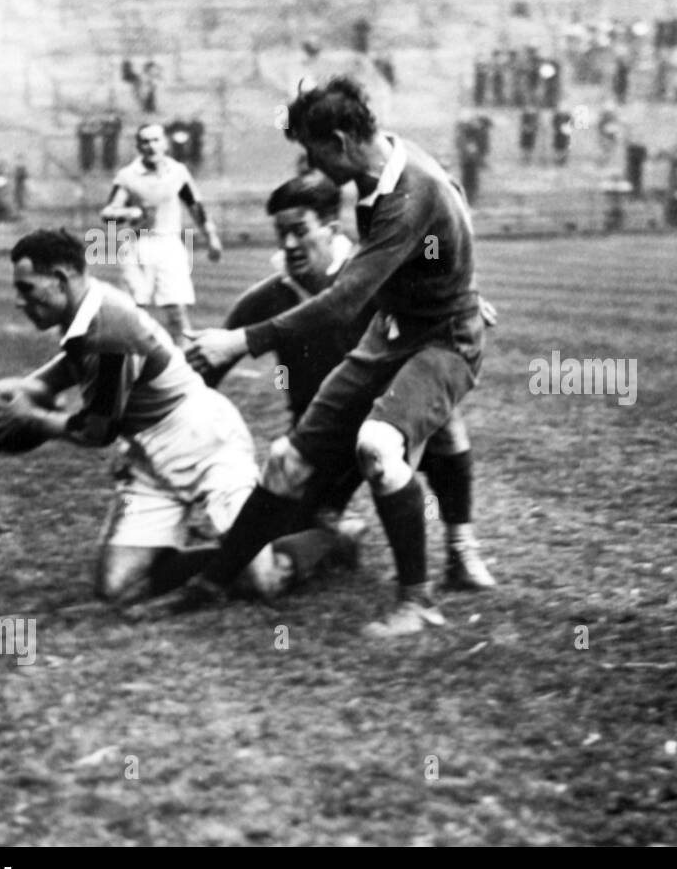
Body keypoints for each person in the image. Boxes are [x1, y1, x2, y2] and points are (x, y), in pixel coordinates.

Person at [177, 77, 490, 638]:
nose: (310, 165)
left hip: (444, 339)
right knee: (287, 460)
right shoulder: (388, 157)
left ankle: (417, 601)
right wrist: (456, 278)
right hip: (395, 329)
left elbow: (345, 299)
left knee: (379, 444)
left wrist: (241, 340)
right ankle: (209, 584)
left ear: (342, 141)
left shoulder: (406, 194)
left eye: (313, 152)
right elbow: (456, 201)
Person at [0, 228, 318, 608]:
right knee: (119, 589)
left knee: (265, 582)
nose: (18, 301)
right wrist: (22, 390)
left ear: (59, 279)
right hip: (149, 455)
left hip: (204, 443)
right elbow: (66, 368)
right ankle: (228, 557)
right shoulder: (87, 309)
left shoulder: (106, 326)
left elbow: (97, 431)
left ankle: (330, 541)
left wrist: (33, 419)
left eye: (26, 288)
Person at [205, 170, 494, 590]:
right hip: (320, 440)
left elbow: (440, 298)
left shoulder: (381, 279)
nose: (289, 245)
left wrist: (465, 307)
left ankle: (460, 547)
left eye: (299, 231)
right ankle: (337, 535)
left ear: (331, 228)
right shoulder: (262, 300)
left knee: (444, 420)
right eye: (281, 233)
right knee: (271, 559)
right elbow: (205, 375)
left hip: (384, 424)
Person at [100, 123, 223, 347]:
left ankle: (187, 365)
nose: (151, 146)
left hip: (169, 244)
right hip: (138, 245)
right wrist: (129, 212)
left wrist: (211, 238)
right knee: (133, 311)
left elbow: (195, 206)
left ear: (165, 143)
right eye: (145, 141)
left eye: (156, 140)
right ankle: (133, 368)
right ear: (138, 146)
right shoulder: (128, 176)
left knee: (177, 311)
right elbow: (108, 213)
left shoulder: (178, 172)